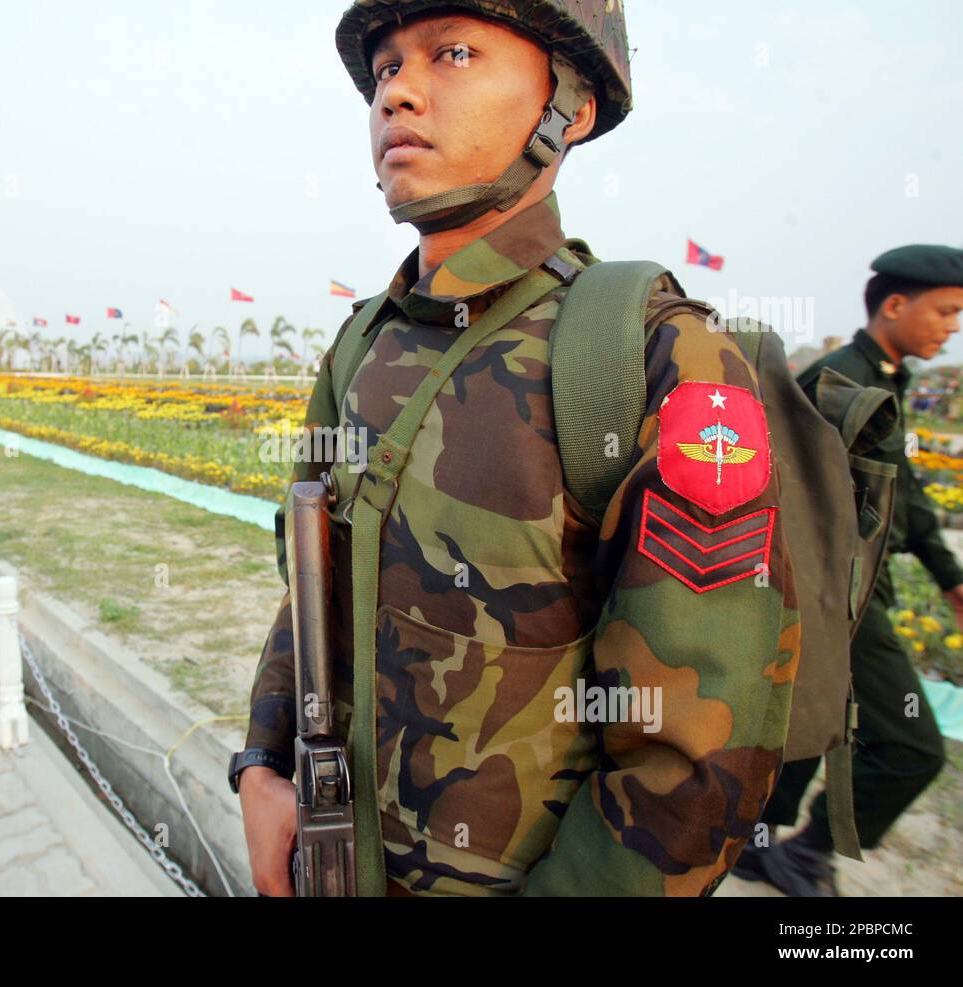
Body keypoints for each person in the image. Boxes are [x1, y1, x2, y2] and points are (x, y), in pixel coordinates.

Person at [232, 0, 799, 897]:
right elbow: (311, 578)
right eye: (384, 71)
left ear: (567, 108)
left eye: (451, 54)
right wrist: (263, 760)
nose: (398, 96)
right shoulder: (361, 346)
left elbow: (693, 762)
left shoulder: (651, 355)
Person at [733, 244, 963, 896]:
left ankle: (764, 848)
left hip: (860, 588)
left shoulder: (884, 377)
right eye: (945, 312)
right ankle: (807, 853)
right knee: (914, 745)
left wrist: (947, 573)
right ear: (895, 304)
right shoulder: (840, 382)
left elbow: (905, 494)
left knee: (820, 719)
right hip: (836, 594)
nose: (951, 329)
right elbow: (789, 495)